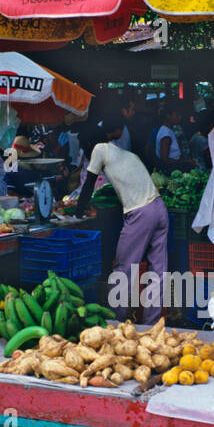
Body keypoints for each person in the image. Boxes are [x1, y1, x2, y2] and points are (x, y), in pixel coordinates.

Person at [77, 117, 169, 324]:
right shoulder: (127, 154)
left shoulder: (99, 149)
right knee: (157, 270)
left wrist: (77, 212)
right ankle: (151, 323)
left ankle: (115, 321)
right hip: (159, 208)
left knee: (123, 269)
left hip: (140, 214)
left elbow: (89, 184)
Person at [154, 101, 194, 173]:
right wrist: (185, 161)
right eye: (177, 115)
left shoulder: (169, 130)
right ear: (168, 116)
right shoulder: (166, 134)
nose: (179, 117)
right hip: (171, 170)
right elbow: (165, 160)